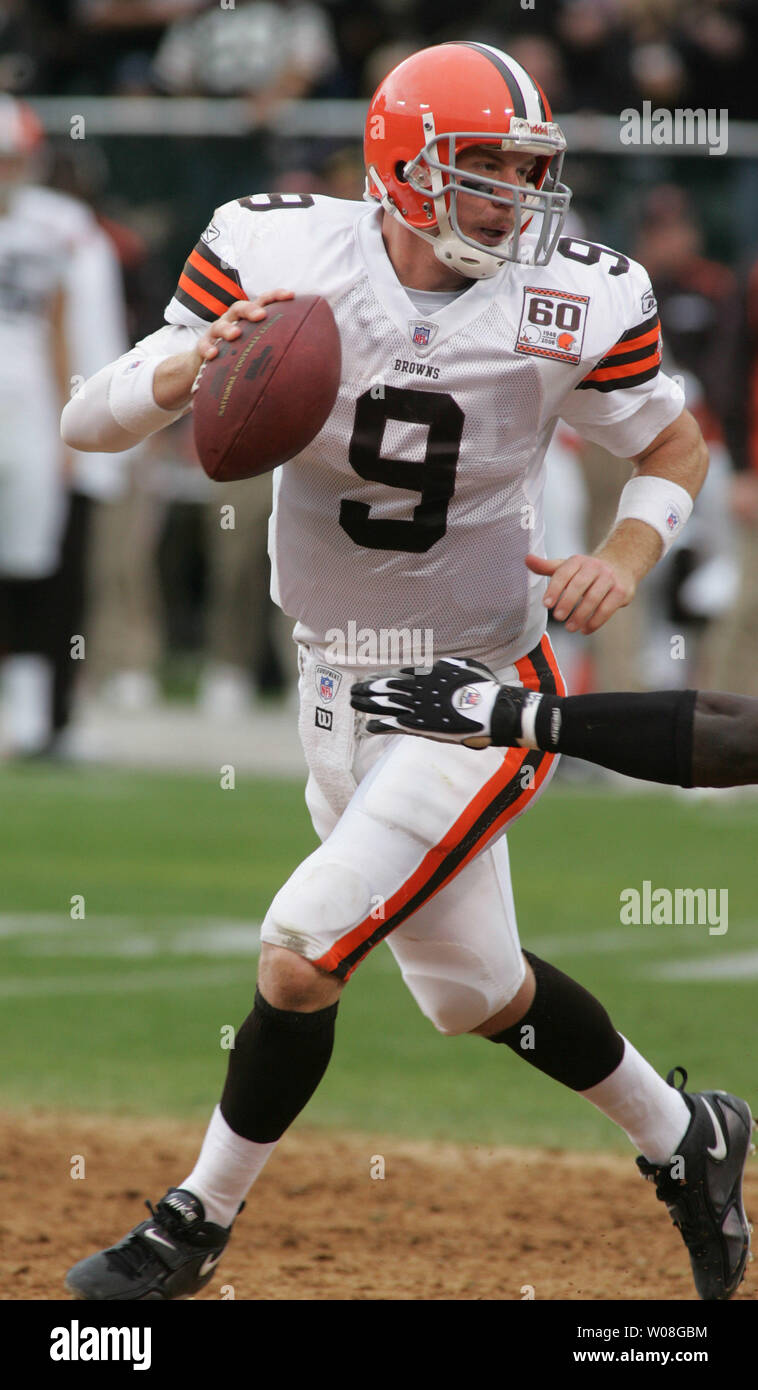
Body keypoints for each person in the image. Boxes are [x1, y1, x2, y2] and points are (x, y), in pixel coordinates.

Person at [60, 42, 752, 1302]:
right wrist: (191, 362)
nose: (507, 196)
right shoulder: (271, 249)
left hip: (471, 690)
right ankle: (690, 1139)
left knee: (299, 949)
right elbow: (86, 418)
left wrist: (625, 548)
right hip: (333, 680)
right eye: (478, 167)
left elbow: (671, 438)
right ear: (396, 164)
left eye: (524, 169)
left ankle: (191, 1222)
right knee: (477, 993)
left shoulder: (578, 292)